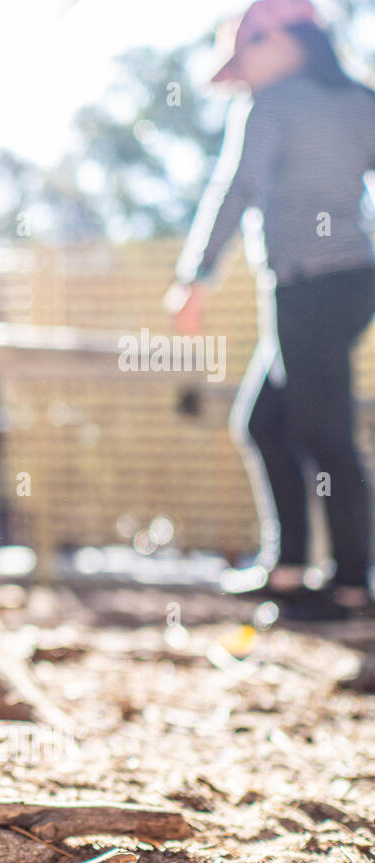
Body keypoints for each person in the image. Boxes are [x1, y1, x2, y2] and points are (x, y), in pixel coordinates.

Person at [170, 0, 375, 620]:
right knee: (265, 420)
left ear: (291, 41)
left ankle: (347, 586)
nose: (244, 69)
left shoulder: (274, 105)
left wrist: (197, 276)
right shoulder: (360, 102)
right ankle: (291, 571)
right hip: (352, 282)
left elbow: (237, 188)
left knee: (324, 433)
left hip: (306, 284)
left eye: (250, 48)